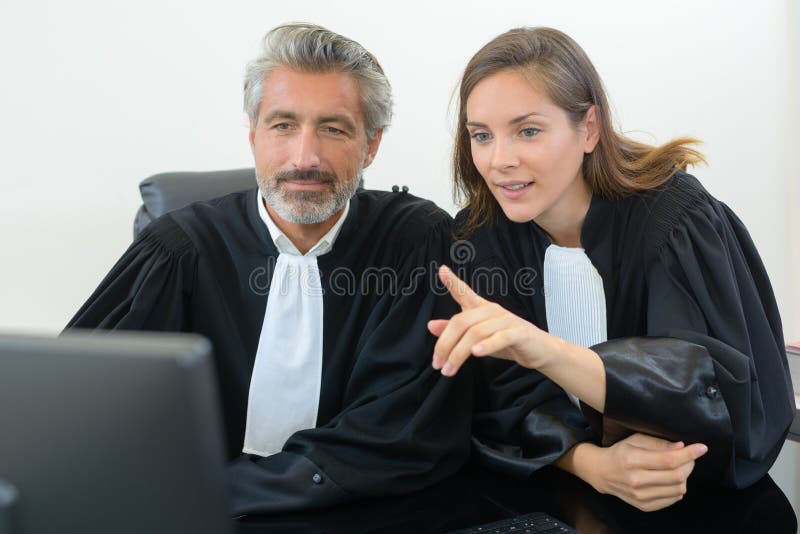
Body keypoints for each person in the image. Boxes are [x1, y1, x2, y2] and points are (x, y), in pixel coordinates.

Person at [67, 23, 484, 516]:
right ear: (253, 135)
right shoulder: (178, 248)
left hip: (363, 513)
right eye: (283, 125)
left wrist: (222, 493)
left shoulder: (416, 242)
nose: (304, 157)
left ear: (370, 145)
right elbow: (80, 406)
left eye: (333, 128)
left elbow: (407, 431)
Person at [429, 27, 794, 512]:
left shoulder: (674, 220)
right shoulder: (481, 240)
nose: (500, 160)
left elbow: (710, 391)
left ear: (589, 129)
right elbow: (500, 404)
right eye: (481, 136)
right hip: (562, 499)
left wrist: (546, 351)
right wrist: (590, 464)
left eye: (528, 130)